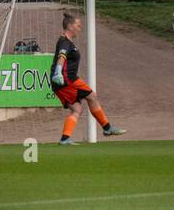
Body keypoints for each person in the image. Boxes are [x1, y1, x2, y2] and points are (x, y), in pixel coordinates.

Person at [50, 12, 125, 144]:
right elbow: (61, 57)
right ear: (70, 26)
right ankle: (107, 128)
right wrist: (58, 72)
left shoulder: (65, 41)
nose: (80, 28)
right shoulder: (65, 42)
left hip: (62, 82)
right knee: (92, 96)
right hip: (68, 80)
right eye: (78, 25)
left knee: (77, 109)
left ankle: (65, 138)